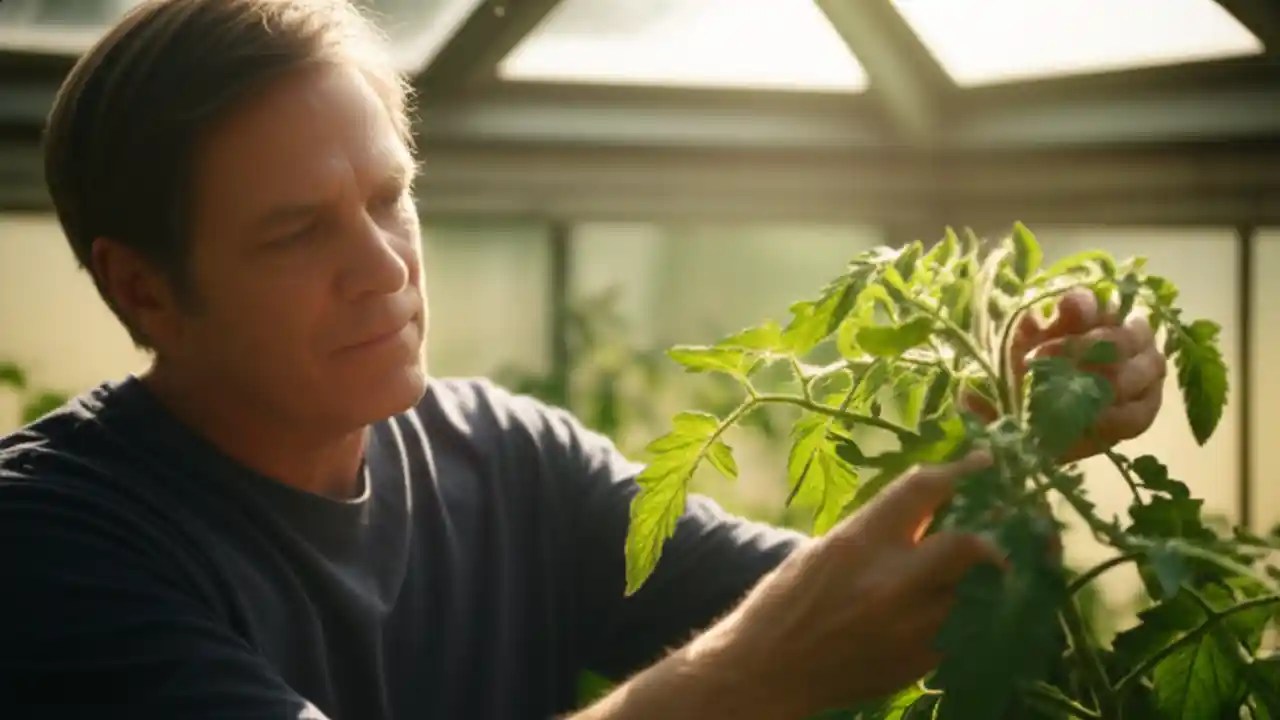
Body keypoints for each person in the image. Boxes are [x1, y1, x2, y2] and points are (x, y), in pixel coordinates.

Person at [0, 0, 1169, 717]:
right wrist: (737, 687)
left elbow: (839, 603)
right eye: (297, 231)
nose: (385, 268)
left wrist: (1018, 421)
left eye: (389, 199)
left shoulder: (505, 462)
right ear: (142, 285)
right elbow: (777, 649)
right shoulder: (56, 546)